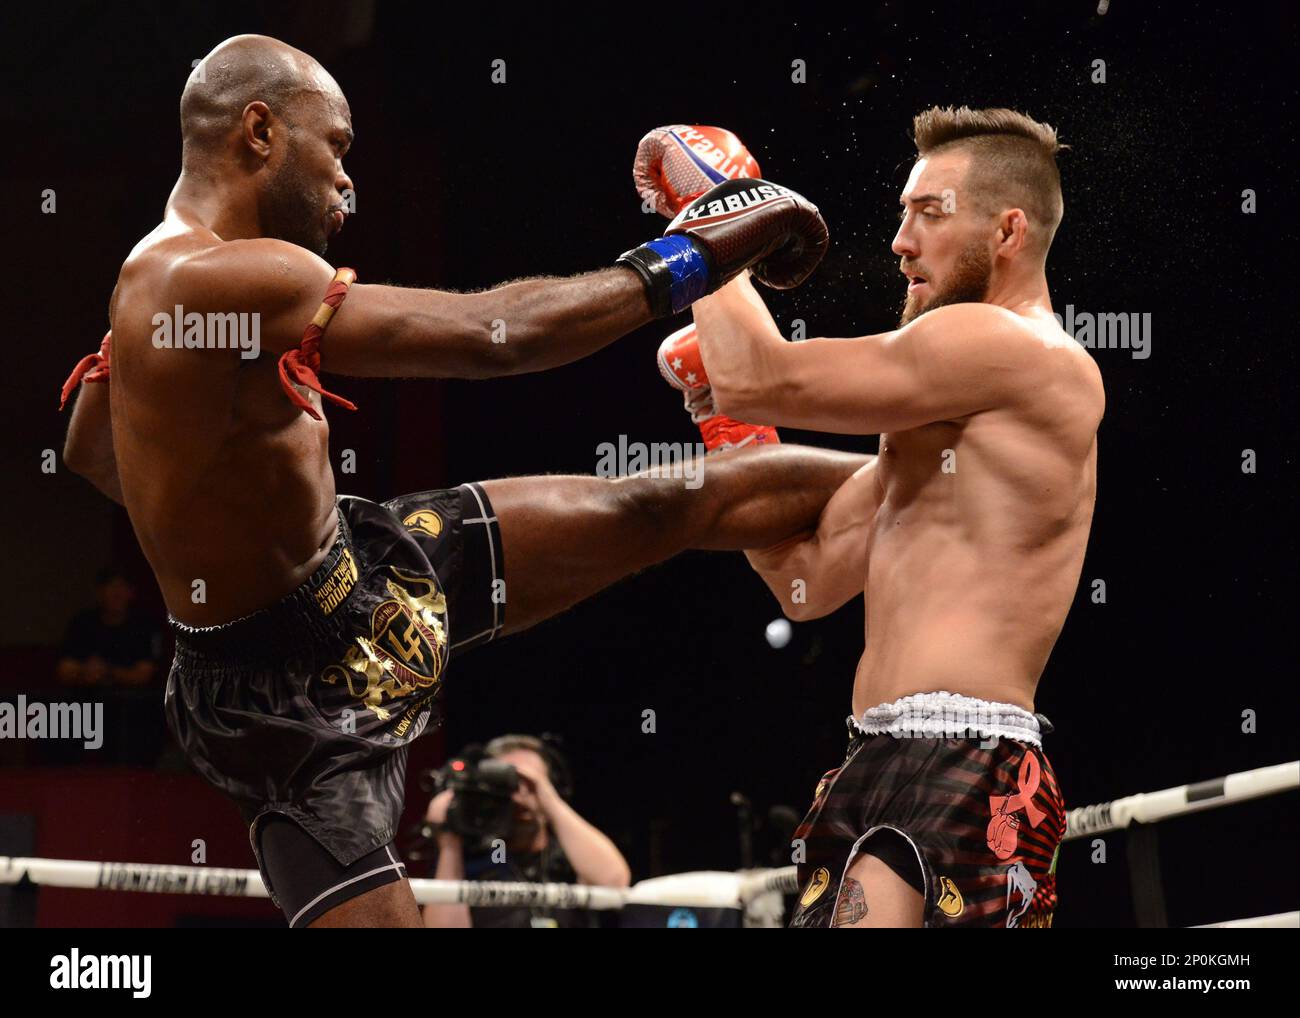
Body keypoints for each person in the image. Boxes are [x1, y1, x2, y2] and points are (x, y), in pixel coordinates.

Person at [58, 34, 860, 928]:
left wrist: (212, 494)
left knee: (654, 501)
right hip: (278, 703)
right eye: (336, 147)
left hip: (361, 569)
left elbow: (92, 450)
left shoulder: (156, 280)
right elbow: (495, 335)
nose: (348, 184)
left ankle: (918, 473)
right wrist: (697, 253)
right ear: (259, 132)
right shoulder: (211, 278)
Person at [648, 108, 1103, 928]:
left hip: (968, 759)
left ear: (1008, 229)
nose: (900, 240)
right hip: (875, 758)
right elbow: (805, 581)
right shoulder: (931, 439)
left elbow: (759, 372)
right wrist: (731, 434)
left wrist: (717, 213)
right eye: (902, 213)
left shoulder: (1017, 350)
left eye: (930, 213)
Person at [423, 735, 629, 928]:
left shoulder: (574, 858)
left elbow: (615, 882)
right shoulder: (468, 860)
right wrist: (449, 838)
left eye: (530, 783)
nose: (520, 793)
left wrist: (547, 797)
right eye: (508, 782)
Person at [56, 566, 160, 687]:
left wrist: (108, 671)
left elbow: (145, 674)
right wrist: (85, 672)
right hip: (87, 701)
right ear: (99, 592)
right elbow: (64, 669)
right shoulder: (82, 623)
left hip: (134, 702)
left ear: (131, 593)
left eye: (122, 587)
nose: (117, 593)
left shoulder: (144, 627)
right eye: (110, 586)